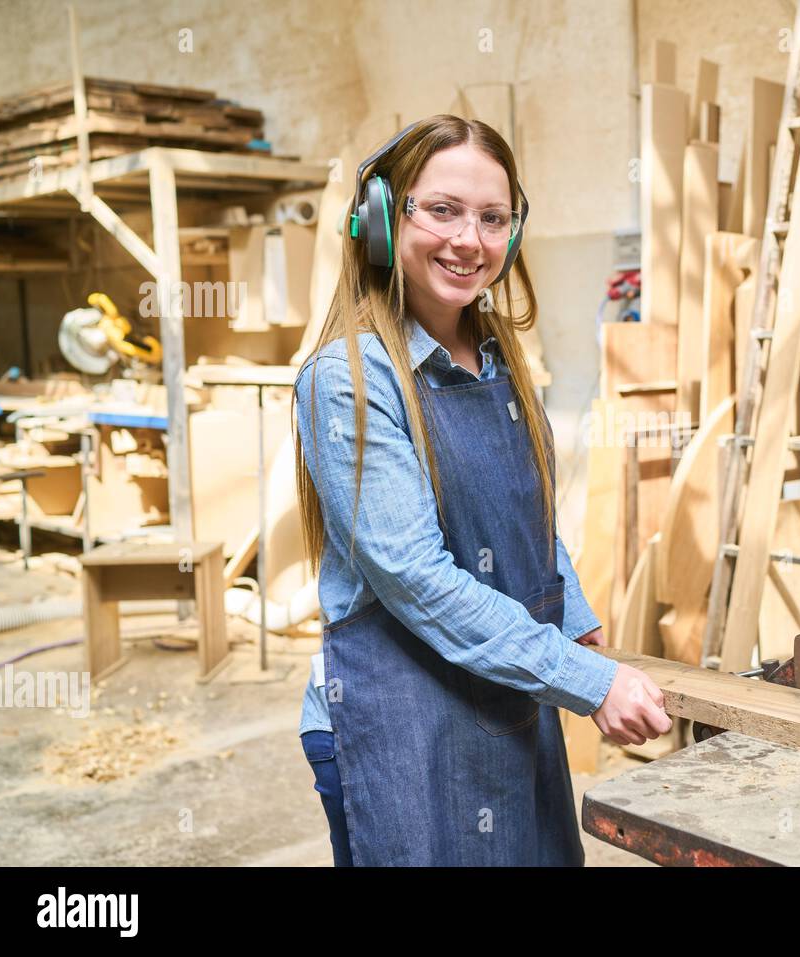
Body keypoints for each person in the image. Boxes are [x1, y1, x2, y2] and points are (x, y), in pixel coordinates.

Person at [294, 115, 672, 866]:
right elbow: (418, 579)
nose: (469, 240)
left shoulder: (501, 360)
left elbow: (525, 516)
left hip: (500, 697)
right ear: (378, 221)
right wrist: (583, 680)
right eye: (442, 210)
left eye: (492, 218)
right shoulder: (347, 379)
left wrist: (575, 616)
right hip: (402, 717)